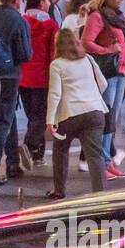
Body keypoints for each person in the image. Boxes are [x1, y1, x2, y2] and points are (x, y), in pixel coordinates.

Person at [45, 28, 108, 200]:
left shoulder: (57, 64)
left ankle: (59, 190)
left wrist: (50, 121)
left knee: (60, 151)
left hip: (70, 114)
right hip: (95, 112)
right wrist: (92, 97)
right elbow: (103, 83)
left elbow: (55, 94)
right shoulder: (88, 59)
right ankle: (100, 194)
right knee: (95, 155)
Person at [0, 0, 32, 189]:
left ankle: (13, 162)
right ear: (16, 0)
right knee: (3, 121)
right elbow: (25, 54)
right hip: (10, 77)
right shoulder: (19, 22)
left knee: (7, 118)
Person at [81, 0, 125, 181]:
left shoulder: (117, 18)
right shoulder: (97, 17)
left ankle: (107, 162)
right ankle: (100, 163)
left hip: (120, 71)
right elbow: (86, 42)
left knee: (111, 121)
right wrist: (106, 49)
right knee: (105, 118)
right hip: (107, 72)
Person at [20, 0, 58, 166]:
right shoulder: (50, 25)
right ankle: (29, 146)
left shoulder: (22, 21)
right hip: (42, 77)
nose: (50, 3)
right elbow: (53, 52)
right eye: (48, 0)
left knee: (33, 117)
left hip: (22, 76)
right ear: (42, 3)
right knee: (41, 117)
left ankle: (37, 155)